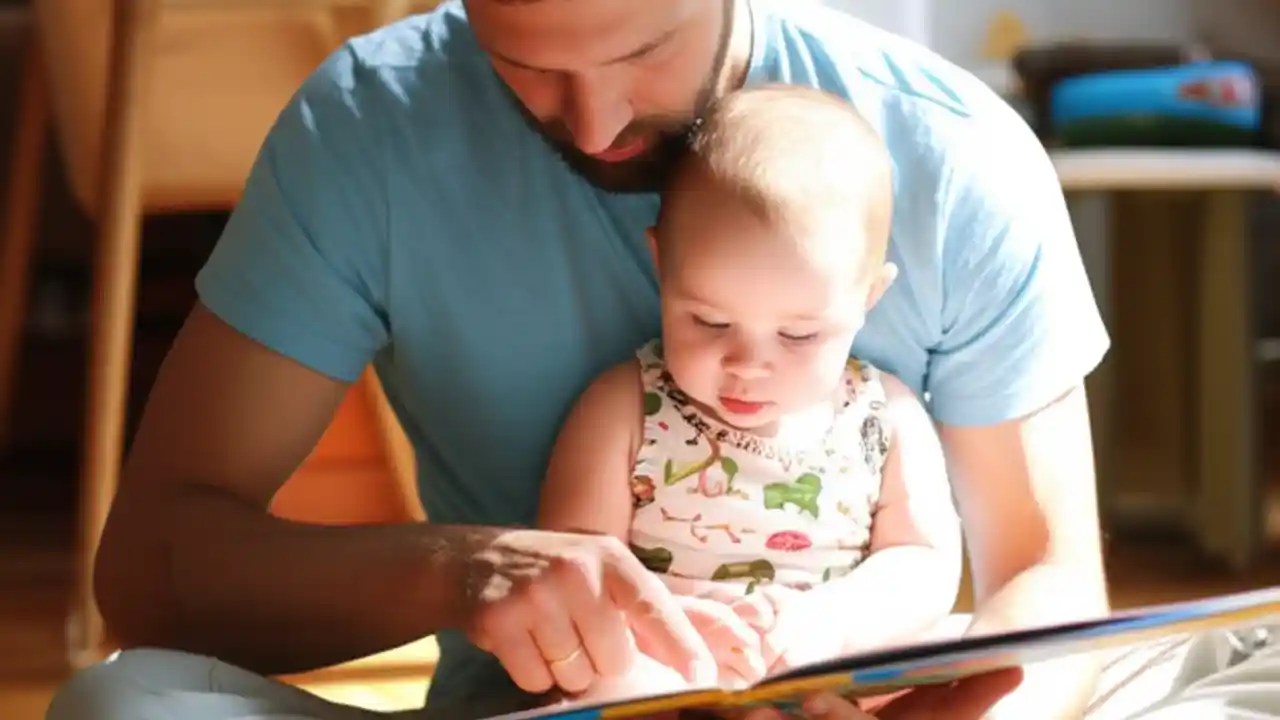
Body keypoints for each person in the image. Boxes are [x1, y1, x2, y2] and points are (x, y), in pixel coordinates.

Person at [41, 0, 1280, 719]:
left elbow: (1044, 580)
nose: (591, 124)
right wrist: (461, 574)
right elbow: (150, 575)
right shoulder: (369, 129)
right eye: (524, 66)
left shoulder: (951, 155)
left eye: (641, 51)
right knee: (125, 704)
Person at [534, 83, 964, 703]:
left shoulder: (884, 416)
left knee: (961, 652)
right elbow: (572, 573)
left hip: (832, 673)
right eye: (710, 322)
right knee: (600, 676)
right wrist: (671, 628)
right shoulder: (625, 408)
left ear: (868, 297)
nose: (747, 365)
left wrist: (832, 623)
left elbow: (923, 564)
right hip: (673, 677)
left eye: (798, 334)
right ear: (662, 264)